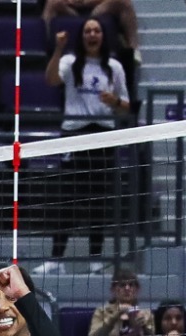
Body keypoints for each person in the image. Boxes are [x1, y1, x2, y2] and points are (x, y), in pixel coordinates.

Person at [42, 20, 134, 267]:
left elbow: (126, 106)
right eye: (87, 31)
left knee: (98, 201)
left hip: (103, 136)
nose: (92, 35)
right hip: (74, 134)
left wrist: (114, 100)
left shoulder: (114, 66)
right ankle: (56, 258)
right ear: (81, 36)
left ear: (103, 36)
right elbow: (50, 80)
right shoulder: (70, 62)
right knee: (67, 198)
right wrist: (58, 48)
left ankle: (95, 258)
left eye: (97, 31)